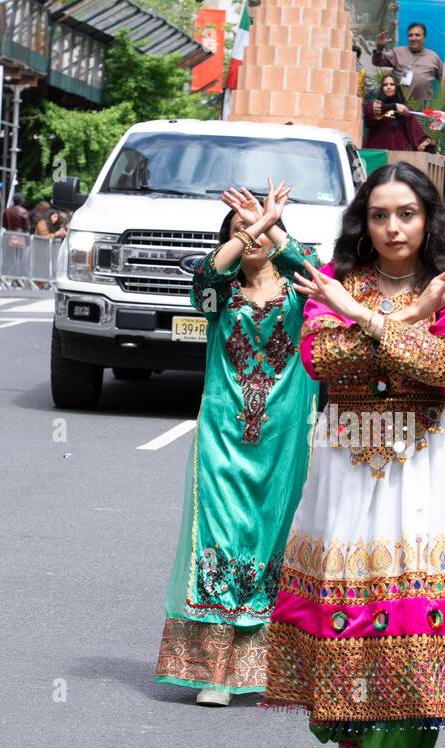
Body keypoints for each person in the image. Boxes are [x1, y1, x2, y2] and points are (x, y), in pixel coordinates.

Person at [267, 162, 445, 748]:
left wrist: (368, 318)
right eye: (382, 214)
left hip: (423, 467)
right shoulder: (331, 279)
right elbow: (323, 362)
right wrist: (400, 324)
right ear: (367, 219)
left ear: (428, 220)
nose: (394, 227)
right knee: (344, 617)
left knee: (417, 626)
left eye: (408, 214)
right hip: (343, 464)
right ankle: (354, 733)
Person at [156, 181, 319, 706]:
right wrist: (250, 226)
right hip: (224, 436)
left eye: (258, 231)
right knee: (222, 542)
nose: (248, 237)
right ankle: (214, 674)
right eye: (237, 231)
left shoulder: (303, 297)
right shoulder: (218, 298)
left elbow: (316, 270)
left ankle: (264, 664)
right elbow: (205, 274)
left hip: (284, 441)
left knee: (269, 540)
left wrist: (272, 223)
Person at [371, 22, 445, 104]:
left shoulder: (433, 56)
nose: (413, 38)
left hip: (422, 109)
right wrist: (379, 48)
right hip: (398, 105)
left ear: (424, 37)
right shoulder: (397, 52)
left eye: (417, 35)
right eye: (410, 35)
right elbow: (377, 62)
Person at [362, 73, 434, 152]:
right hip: (376, 154)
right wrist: (394, 106)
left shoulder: (405, 110)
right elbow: (369, 113)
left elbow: (416, 133)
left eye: (392, 84)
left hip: (397, 155)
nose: (388, 87)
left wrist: (428, 145)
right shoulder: (373, 105)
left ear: (397, 87)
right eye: (385, 85)